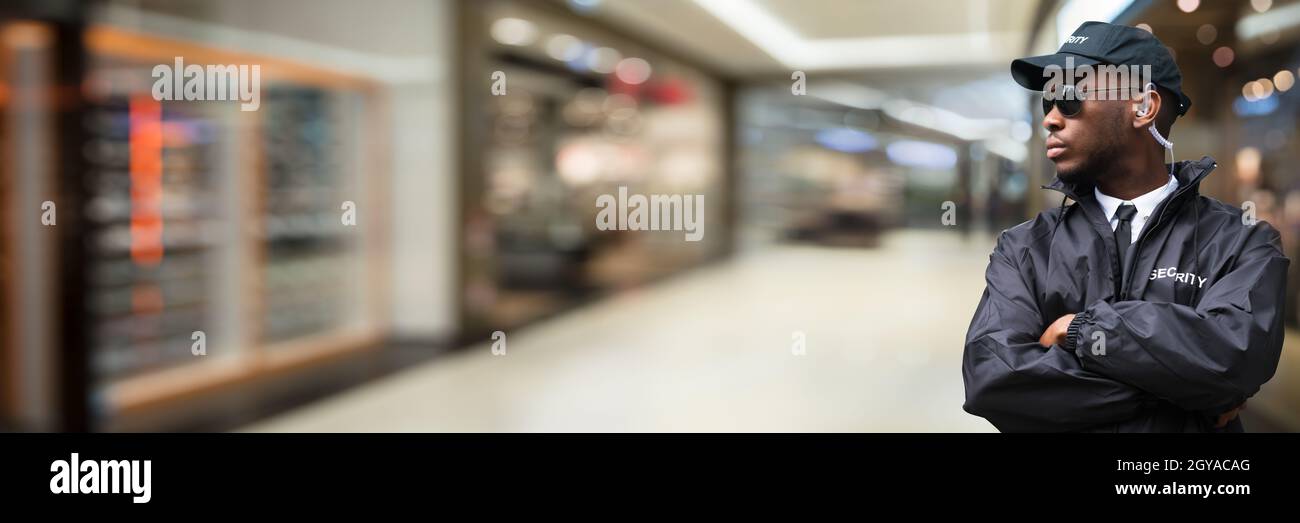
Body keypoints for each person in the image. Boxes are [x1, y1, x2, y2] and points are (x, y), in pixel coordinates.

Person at [962, 21, 1289, 432]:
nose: (1050, 119)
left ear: (1142, 107)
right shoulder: (1025, 247)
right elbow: (993, 379)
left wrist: (1081, 330)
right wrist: (1185, 395)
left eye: (1069, 97)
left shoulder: (1241, 241)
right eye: (1047, 102)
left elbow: (1234, 360)